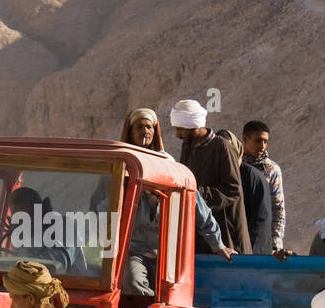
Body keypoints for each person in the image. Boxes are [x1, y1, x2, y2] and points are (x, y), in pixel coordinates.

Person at [116, 108, 236, 294]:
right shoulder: (121, 166)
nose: (145, 131)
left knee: (172, 292)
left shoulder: (167, 165)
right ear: (131, 131)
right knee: (133, 282)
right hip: (135, 250)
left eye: (149, 127)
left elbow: (196, 204)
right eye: (139, 127)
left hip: (165, 250)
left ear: (155, 132)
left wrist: (218, 245)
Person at [170, 99, 252, 254]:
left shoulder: (222, 147)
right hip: (200, 229)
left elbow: (233, 190)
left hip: (225, 231)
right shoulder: (188, 146)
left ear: (194, 125)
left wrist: (196, 195)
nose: (178, 135)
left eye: (181, 129)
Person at [222, 129, 273, 254]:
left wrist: (249, 255)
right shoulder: (217, 174)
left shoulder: (252, 177)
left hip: (248, 252)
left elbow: (261, 220)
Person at [241, 120, 287, 255]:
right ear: (245, 139)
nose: (262, 146)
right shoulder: (234, 165)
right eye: (258, 141)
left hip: (261, 239)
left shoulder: (271, 170)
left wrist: (275, 244)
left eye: (265, 142)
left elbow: (278, 208)